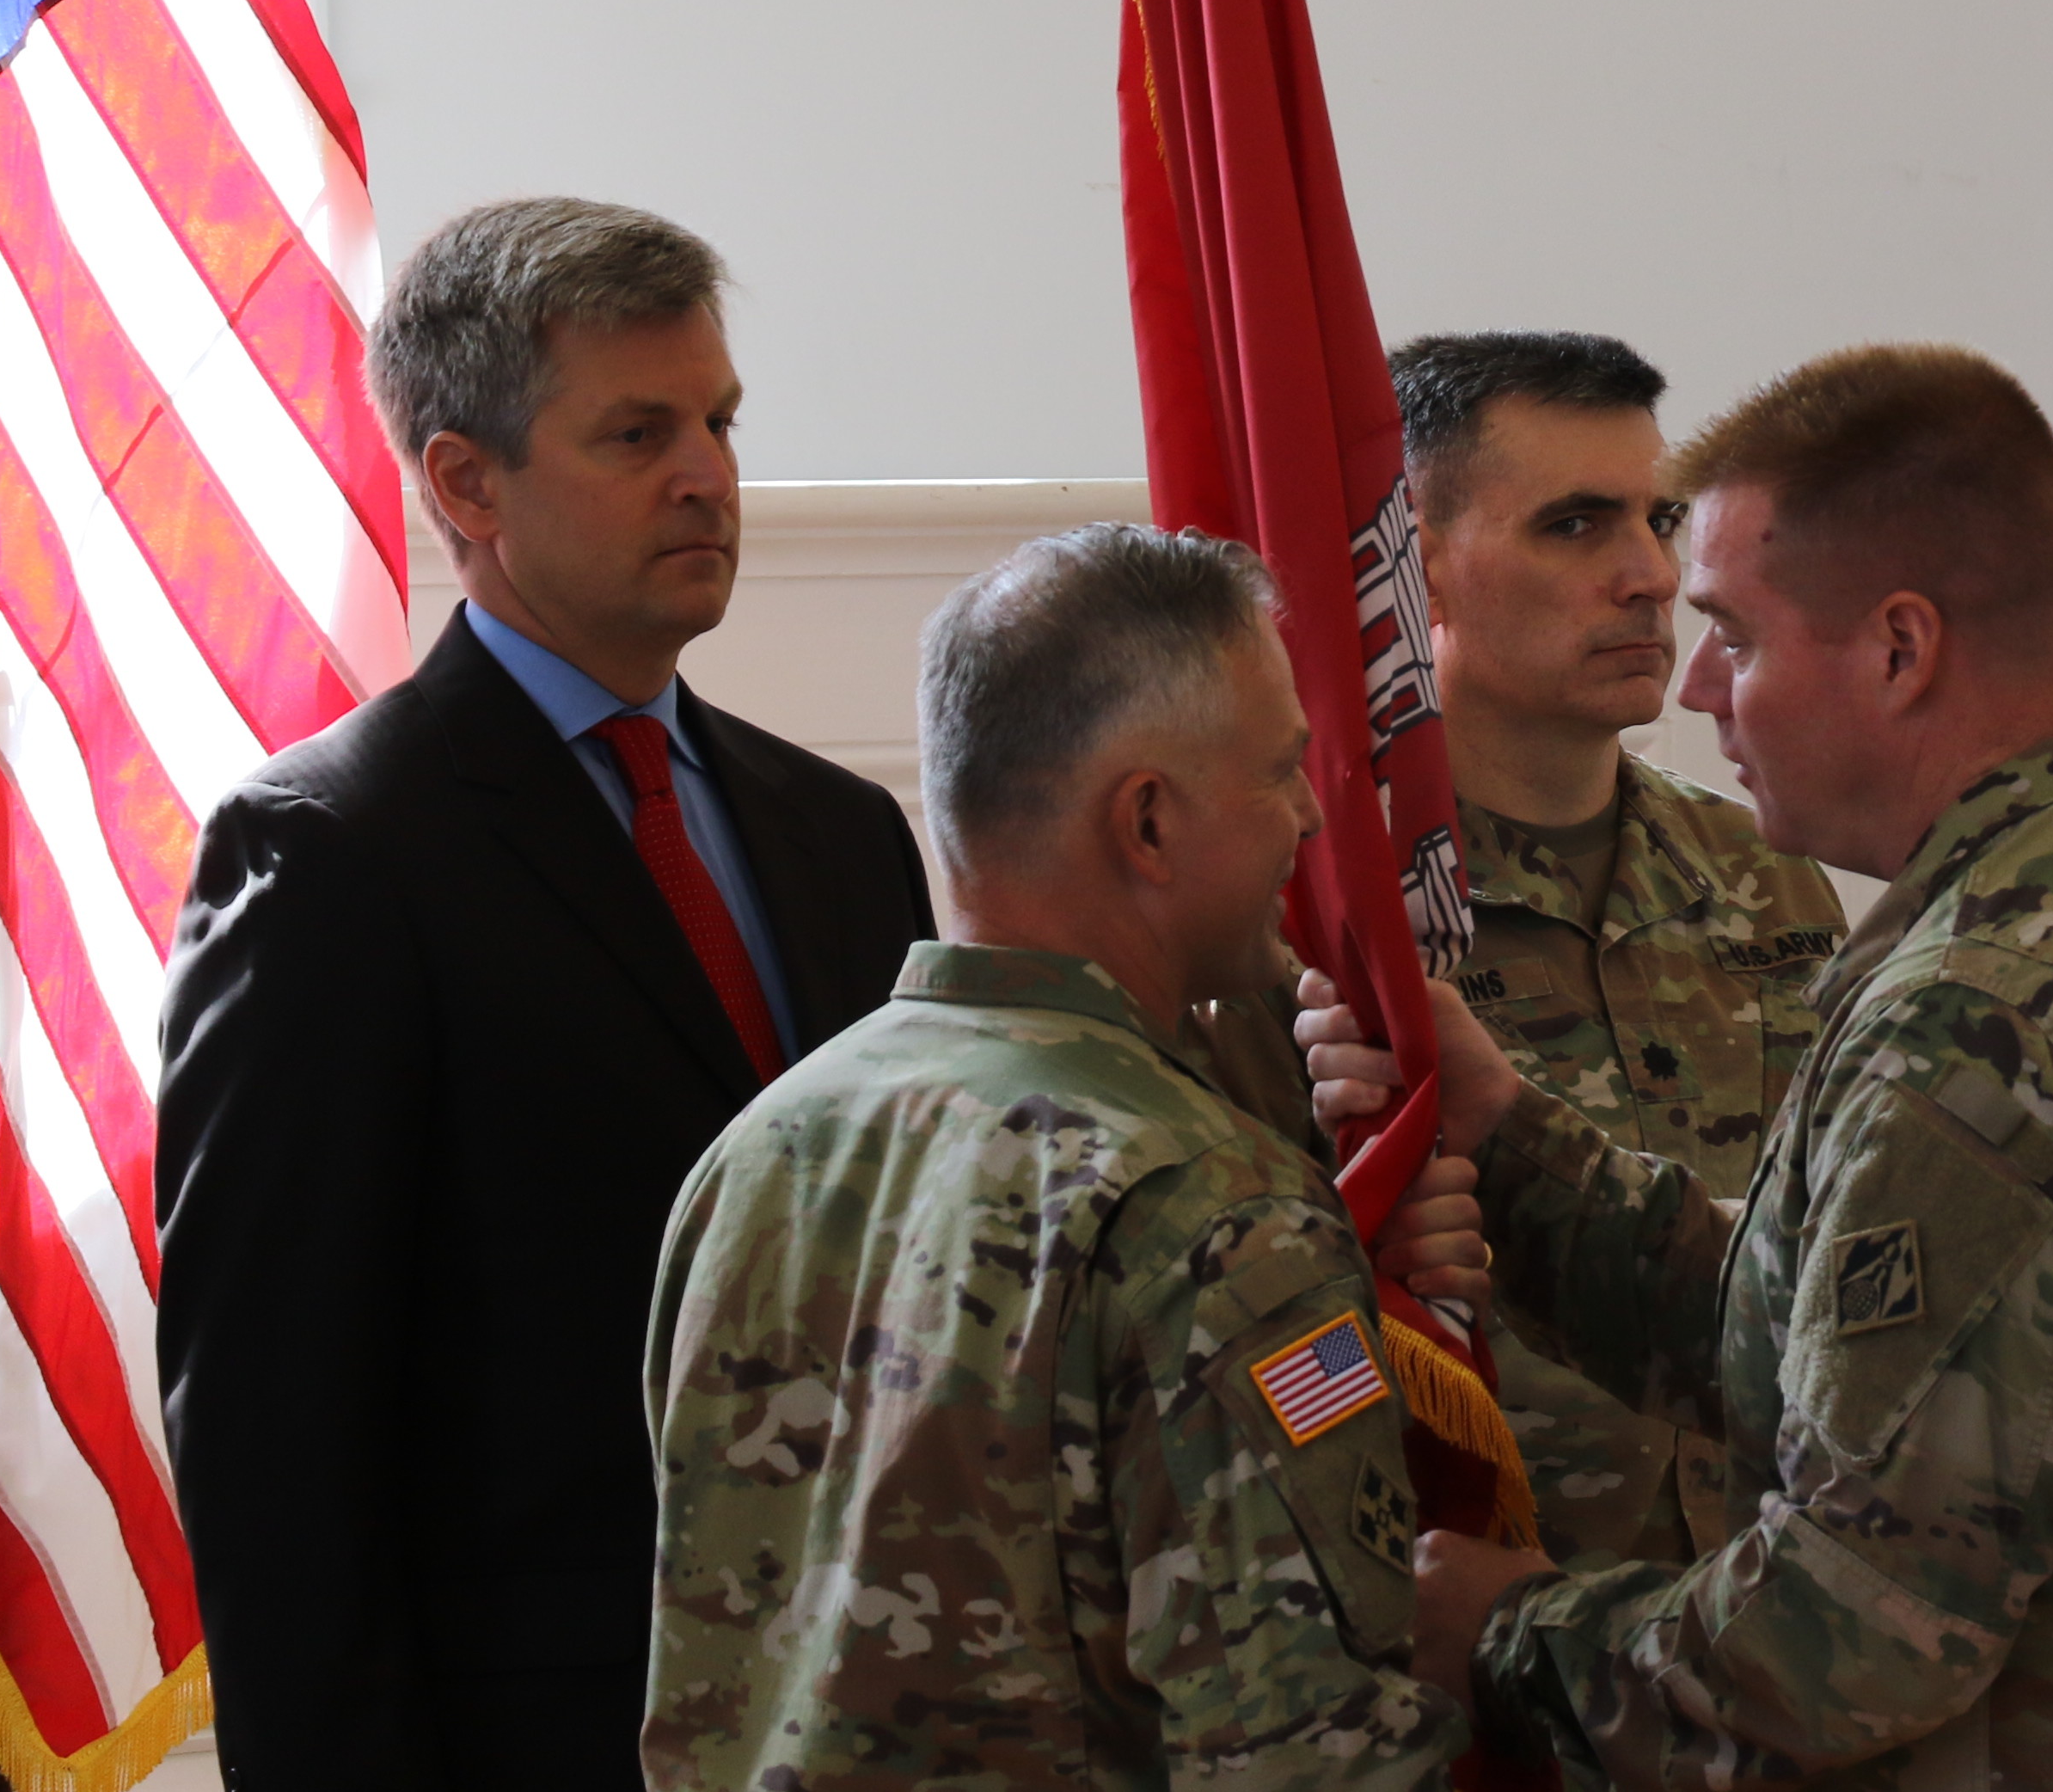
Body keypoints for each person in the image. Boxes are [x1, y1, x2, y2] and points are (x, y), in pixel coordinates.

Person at [1309, 343, 2053, 1789]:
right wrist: (1506, 1135)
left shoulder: (1982, 1015)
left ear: (1900, 650)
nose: (1698, 680)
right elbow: (1818, 1343)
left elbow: (1856, 1632)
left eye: (1738, 635)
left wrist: (1510, 1635)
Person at [155, 199, 935, 1791]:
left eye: (719, 422)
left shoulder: (845, 834)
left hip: (885, 1702)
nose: (708, 475)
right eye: (638, 433)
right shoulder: (332, 852)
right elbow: (270, 1432)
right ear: (465, 483)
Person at [640, 523, 1480, 1789]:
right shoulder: (1212, 1206)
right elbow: (1308, 1754)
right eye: (1278, 774)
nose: (1310, 817)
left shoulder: (758, 1153)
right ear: (1147, 822)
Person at [1385, 328, 1844, 1571]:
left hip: (1761, 1609)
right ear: (1417, 568)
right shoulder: (1349, 916)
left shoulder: (1763, 869)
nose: (1652, 576)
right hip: (1484, 1606)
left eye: (1660, 520)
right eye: (1576, 525)